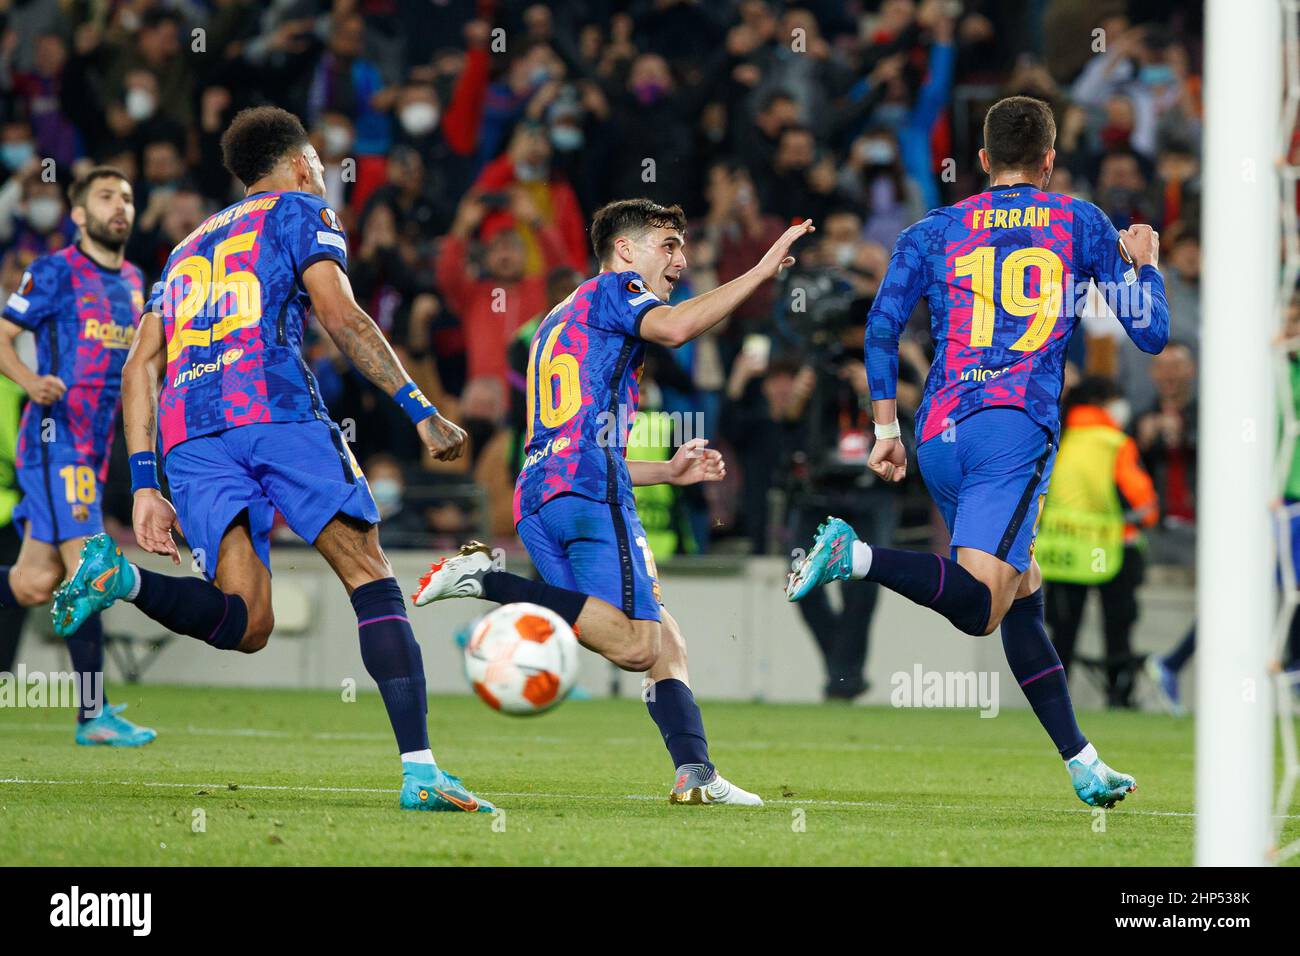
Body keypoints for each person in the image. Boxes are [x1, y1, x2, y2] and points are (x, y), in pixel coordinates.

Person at [49, 108, 491, 814]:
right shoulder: (301, 211)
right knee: (368, 573)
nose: (321, 172)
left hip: (189, 435)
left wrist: (142, 484)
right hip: (275, 409)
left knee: (248, 622)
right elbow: (343, 317)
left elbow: (140, 366)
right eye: (316, 161)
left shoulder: (186, 246)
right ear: (297, 163)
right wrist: (419, 408)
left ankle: (123, 576)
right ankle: (421, 771)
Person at [788, 96, 1170, 808]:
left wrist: (885, 431)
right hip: (1012, 432)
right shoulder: (1081, 222)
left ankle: (1083, 762)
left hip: (937, 434)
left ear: (984, 160)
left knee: (1020, 595)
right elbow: (1148, 333)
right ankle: (854, 557)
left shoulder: (934, 229)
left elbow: (880, 327)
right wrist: (1144, 264)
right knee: (978, 608)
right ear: (1050, 162)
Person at [414, 198, 815, 805]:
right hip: (586, 489)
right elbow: (677, 328)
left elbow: (572, 438)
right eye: (668, 245)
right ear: (624, 251)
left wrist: (668, 471)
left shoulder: (556, 319)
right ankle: (486, 581)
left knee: (660, 639)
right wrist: (760, 273)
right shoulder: (616, 289)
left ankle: (695, 774)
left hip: (542, 494)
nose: (679, 258)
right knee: (639, 644)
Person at [0, 167, 154, 746]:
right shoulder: (54, 271)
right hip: (53, 441)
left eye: (129, 198)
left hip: (92, 450)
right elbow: (3, 335)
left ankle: (94, 714)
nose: (122, 206)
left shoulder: (137, 280)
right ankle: (94, 714)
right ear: (81, 215)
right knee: (90, 565)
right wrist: (31, 380)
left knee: (35, 582)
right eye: (107, 197)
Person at [1038, 376, 1159, 708]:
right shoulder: (1115, 443)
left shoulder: (1058, 438)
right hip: (1113, 551)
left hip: (1061, 552)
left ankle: (1050, 700)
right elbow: (1144, 505)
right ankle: (1119, 697)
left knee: (1061, 634)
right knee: (1117, 631)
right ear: (1105, 403)